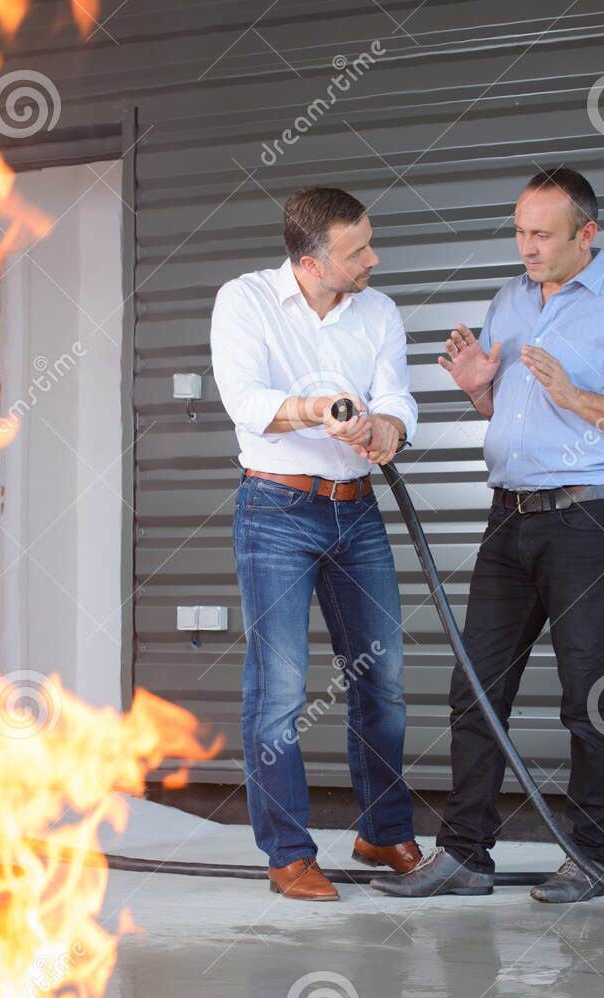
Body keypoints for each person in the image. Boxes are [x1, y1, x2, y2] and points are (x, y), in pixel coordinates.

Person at [375, 167, 604, 905]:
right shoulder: (510, 300)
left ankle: (590, 856)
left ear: (588, 234)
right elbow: (507, 415)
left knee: (586, 696)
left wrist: (576, 397)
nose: (526, 247)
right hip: (508, 519)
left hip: (586, 521)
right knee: (475, 689)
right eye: (519, 231)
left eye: (541, 234)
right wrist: (482, 387)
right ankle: (465, 856)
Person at [210, 186, 421, 901]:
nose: (374, 257)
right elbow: (246, 401)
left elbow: (397, 397)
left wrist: (385, 429)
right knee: (279, 689)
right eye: (357, 250)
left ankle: (382, 829)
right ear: (309, 262)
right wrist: (318, 410)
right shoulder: (244, 302)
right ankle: (288, 853)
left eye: (370, 241)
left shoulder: (380, 311)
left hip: (355, 513)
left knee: (383, 680)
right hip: (276, 509)